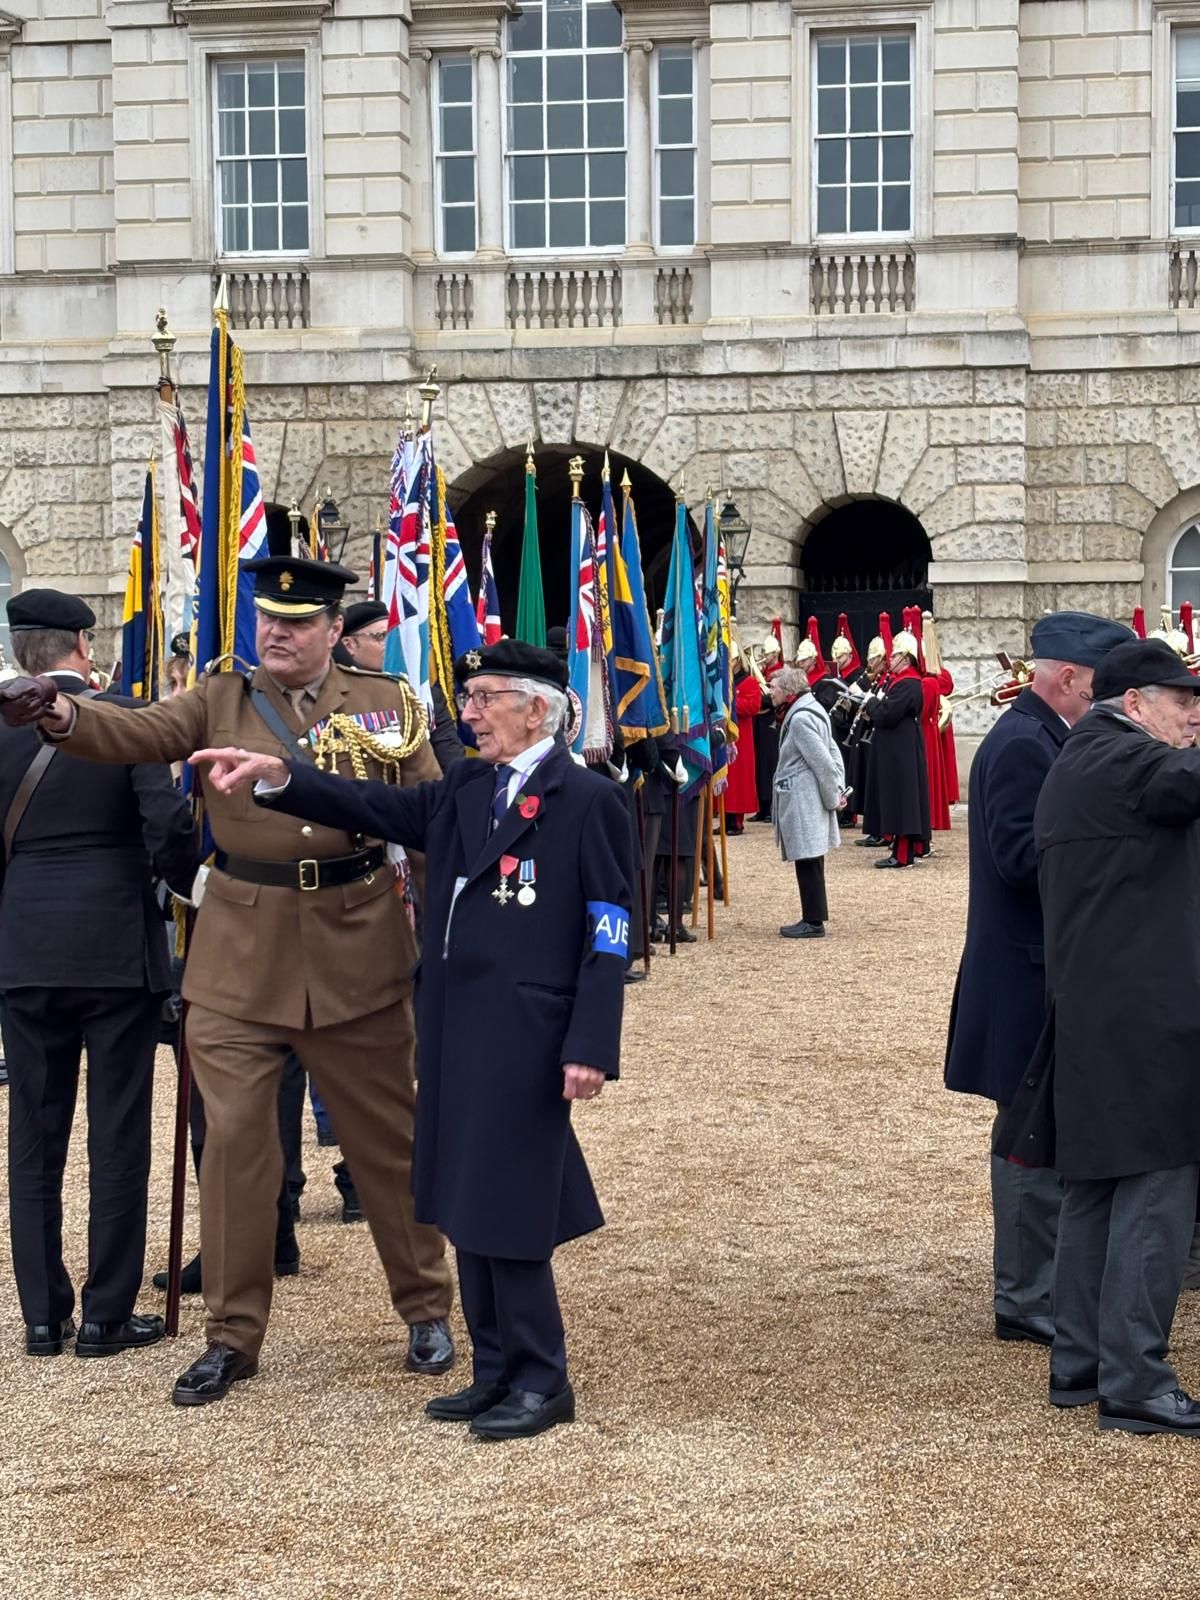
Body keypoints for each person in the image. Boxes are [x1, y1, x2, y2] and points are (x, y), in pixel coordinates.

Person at [0, 556, 455, 1406]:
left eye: (295, 622)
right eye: (266, 619)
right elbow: (131, 734)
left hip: (359, 947)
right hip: (239, 952)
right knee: (237, 1151)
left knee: (387, 1146)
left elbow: (432, 818)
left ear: (330, 629)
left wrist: (448, 936)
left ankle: (426, 1307)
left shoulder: (387, 701)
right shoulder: (219, 698)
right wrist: (61, 712)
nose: (275, 633)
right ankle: (232, 1336)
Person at [193, 639, 634, 1441]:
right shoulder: (467, 783)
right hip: (455, 1027)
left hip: (532, 1032)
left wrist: (591, 1042)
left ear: (537, 708)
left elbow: (609, 932)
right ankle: (493, 1368)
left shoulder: (588, 799)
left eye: (483, 698)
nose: (466, 714)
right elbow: (374, 807)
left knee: (514, 1204)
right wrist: (279, 779)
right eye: (466, 699)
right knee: (464, 1196)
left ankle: (543, 1377)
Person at [1000, 638, 1200, 1436]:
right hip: (1146, 1018)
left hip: (1101, 1009)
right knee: (1156, 1189)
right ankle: (1134, 1380)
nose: (1192, 718)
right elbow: (1186, 782)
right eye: (1182, 704)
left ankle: (1081, 1362)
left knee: (1097, 1189)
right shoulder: (1120, 758)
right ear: (1133, 702)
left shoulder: (1085, 760)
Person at [0, 589, 199, 1358]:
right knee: (117, 1134)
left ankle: (42, 1317)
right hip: (115, 946)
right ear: (82, 647)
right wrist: (191, 883)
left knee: (32, 1137)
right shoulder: (123, 719)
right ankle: (106, 1316)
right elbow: (166, 827)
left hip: (25, 947)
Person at [944, 611, 1130, 1348]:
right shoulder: (1025, 743)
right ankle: (1025, 1296)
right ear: (1067, 679)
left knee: (1043, 1129)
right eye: (1097, 689)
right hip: (1023, 972)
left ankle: (1042, 1282)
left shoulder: (1045, 736)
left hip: (1037, 967)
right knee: (1026, 1134)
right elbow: (1024, 859)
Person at [769, 666, 845, 939]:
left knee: (808, 858)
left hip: (804, 797)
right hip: (805, 794)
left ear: (789, 691)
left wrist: (833, 796)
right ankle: (812, 916)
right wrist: (838, 787)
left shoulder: (800, 719)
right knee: (810, 857)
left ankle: (813, 921)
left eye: (775, 687)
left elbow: (823, 761)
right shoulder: (812, 708)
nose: (771, 692)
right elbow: (832, 751)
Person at [860, 630, 929, 868]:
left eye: (896, 655)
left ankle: (902, 855)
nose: (891, 659)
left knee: (902, 800)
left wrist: (869, 701)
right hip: (897, 746)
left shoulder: (908, 684)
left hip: (901, 748)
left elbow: (886, 714)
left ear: (907, 658)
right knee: (898, 798)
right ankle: (901, 852)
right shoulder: (901, 682)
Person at [724, 646, 763, 834]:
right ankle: (724, 818)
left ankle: (736, 822)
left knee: (738, 780)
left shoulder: (749, 682)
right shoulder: (724, 681)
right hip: (725, 736)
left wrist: (730, 704)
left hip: (741, 737)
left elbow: (753, 706)